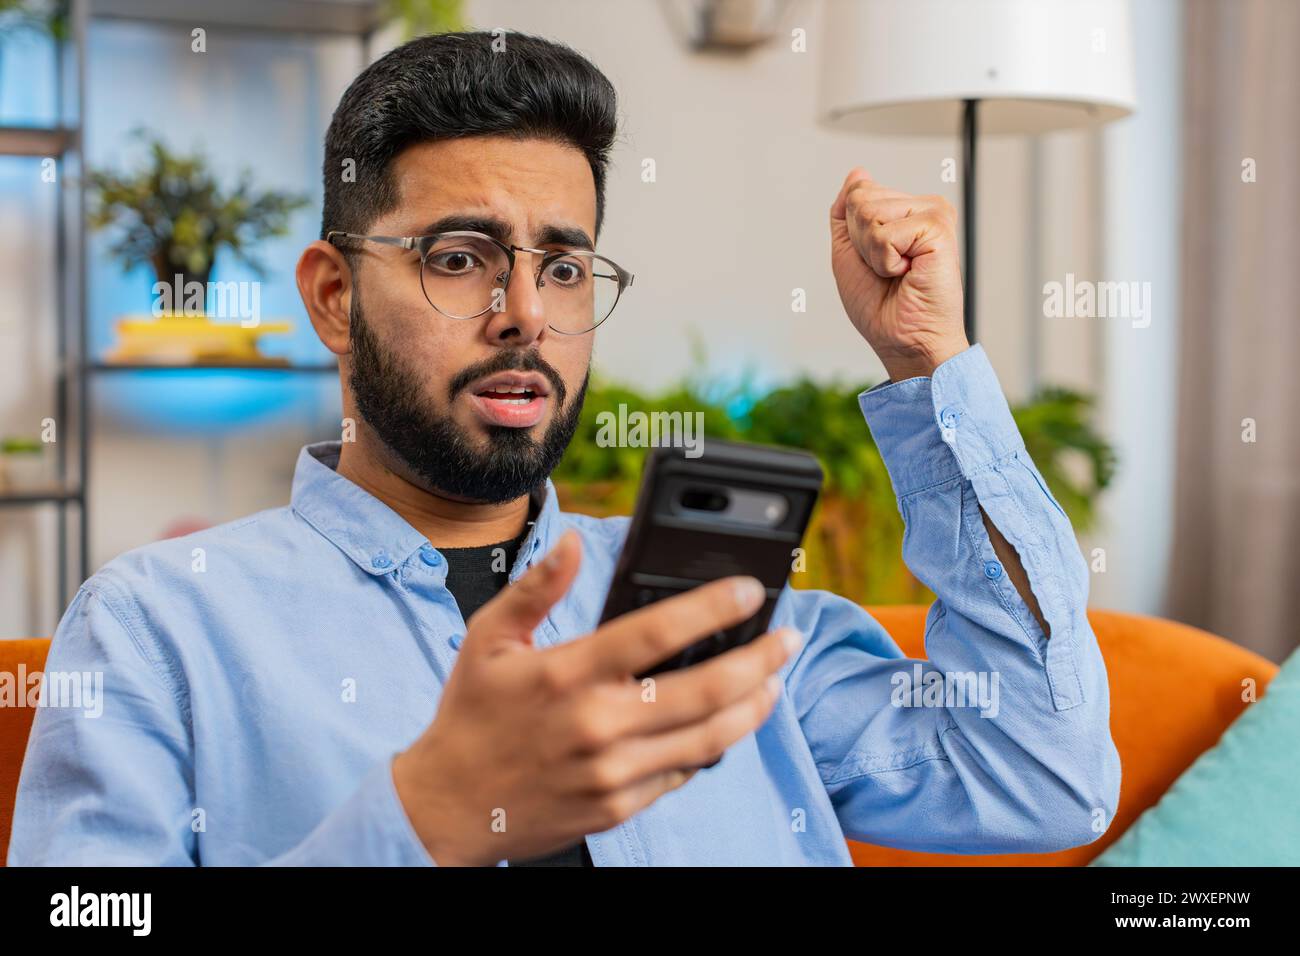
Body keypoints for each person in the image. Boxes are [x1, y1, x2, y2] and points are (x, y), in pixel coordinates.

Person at [8, 31, 1119, 867]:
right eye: (459, 257)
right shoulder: (160, 625)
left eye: (566, 267)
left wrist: (930, 365)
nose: (526, 315)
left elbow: (1040, 778)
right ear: (335, 297)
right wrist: (424, 820)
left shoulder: (727, 616)